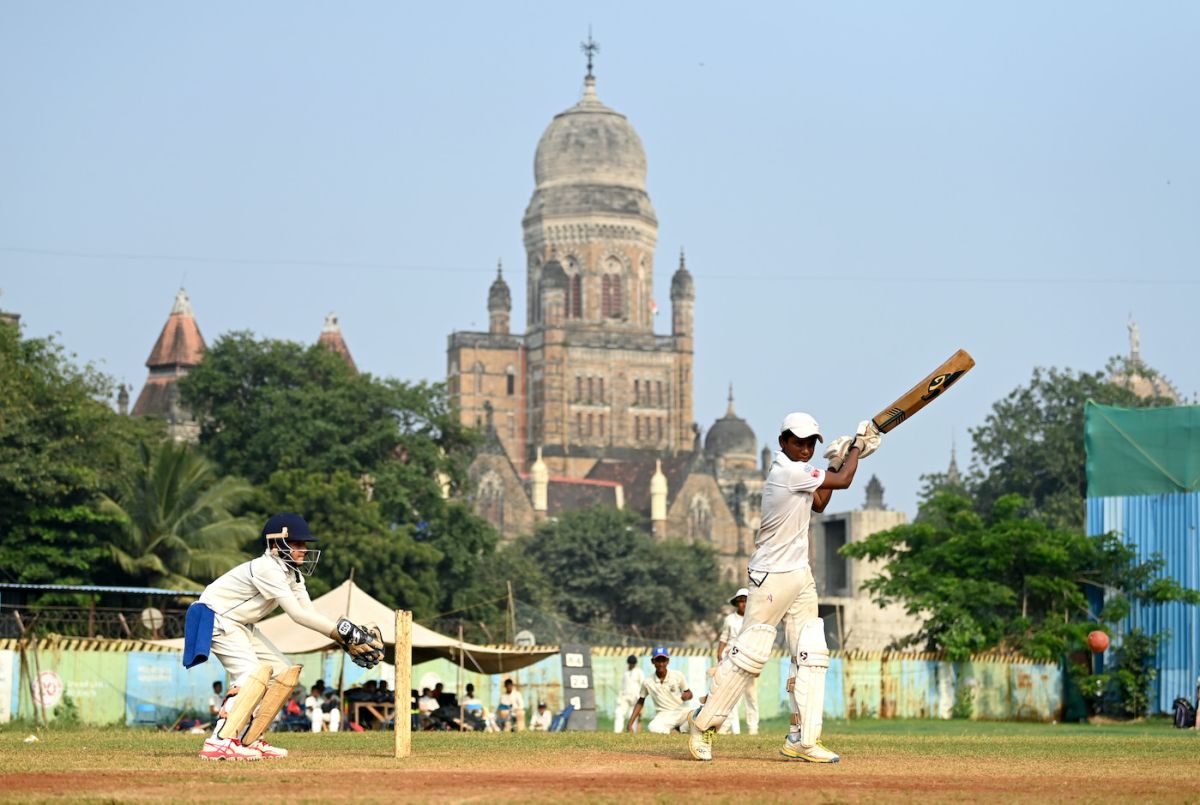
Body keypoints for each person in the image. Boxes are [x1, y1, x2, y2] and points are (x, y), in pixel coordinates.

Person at [686, 412, 878, 764]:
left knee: (812, 654)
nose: (805, 450)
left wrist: (840, 457)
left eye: (810, 444)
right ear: (783, 443)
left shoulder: (802, 475)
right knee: (750, 656)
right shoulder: (786, 472)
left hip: (799, 574)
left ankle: (802, 740)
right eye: (798, 443)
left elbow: (820, 502)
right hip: (771, 575)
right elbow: (845, 481)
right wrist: (857, 449)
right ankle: (702, 724)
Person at [183, 513, 382, 761]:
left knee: (283, 674)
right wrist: (344, 633)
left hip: (241, 623)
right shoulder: (267, 568)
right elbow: (296, 615)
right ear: (276, 545)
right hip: (217, 618)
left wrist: (344, 639)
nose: (304, 550)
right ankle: (219, 741)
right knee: (250, 677)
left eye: (304, 544)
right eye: (297, 544)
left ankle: (250, 738)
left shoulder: (292, 573)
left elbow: (309, 613)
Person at [716, 588, 758, 736]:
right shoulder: (730, 620)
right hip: (732, 660)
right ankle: (732, 729)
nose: (743, 604)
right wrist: (719, 657)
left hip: (748, 661)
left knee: (751, 697)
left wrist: (757, 666)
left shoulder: (754, 619)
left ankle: (753, 729)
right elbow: (723, 639)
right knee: (732, 697)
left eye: (746, 601)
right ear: (736, 603)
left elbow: (757, 643)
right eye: (740, 601)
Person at [625, 646, 694, 734]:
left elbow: (689, 693)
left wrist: (687, 695)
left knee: (697, 715)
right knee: (652, 727)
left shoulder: (678, 675)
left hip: (681, 711)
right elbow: (640, 701)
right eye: (658, 660)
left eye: (663, 660)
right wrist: (630, 723)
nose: (661, 664)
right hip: (663, 715)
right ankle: (676, 731)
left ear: (668, 661)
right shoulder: (647, 682)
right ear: (653, 661)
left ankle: (680, 730)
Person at [613, 654, 645, 734]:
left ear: (635, 663)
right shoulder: (625, 671)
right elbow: (622, 684)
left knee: (633, 715)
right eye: (630, 663)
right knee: (619, 713)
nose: (631, 665)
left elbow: (643, 684)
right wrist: (619, 696)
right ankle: (617, 732)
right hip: (624, 696)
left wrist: (641, 697)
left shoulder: (639, 672)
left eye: (633, 663)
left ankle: (631, 732)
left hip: (635, 697)